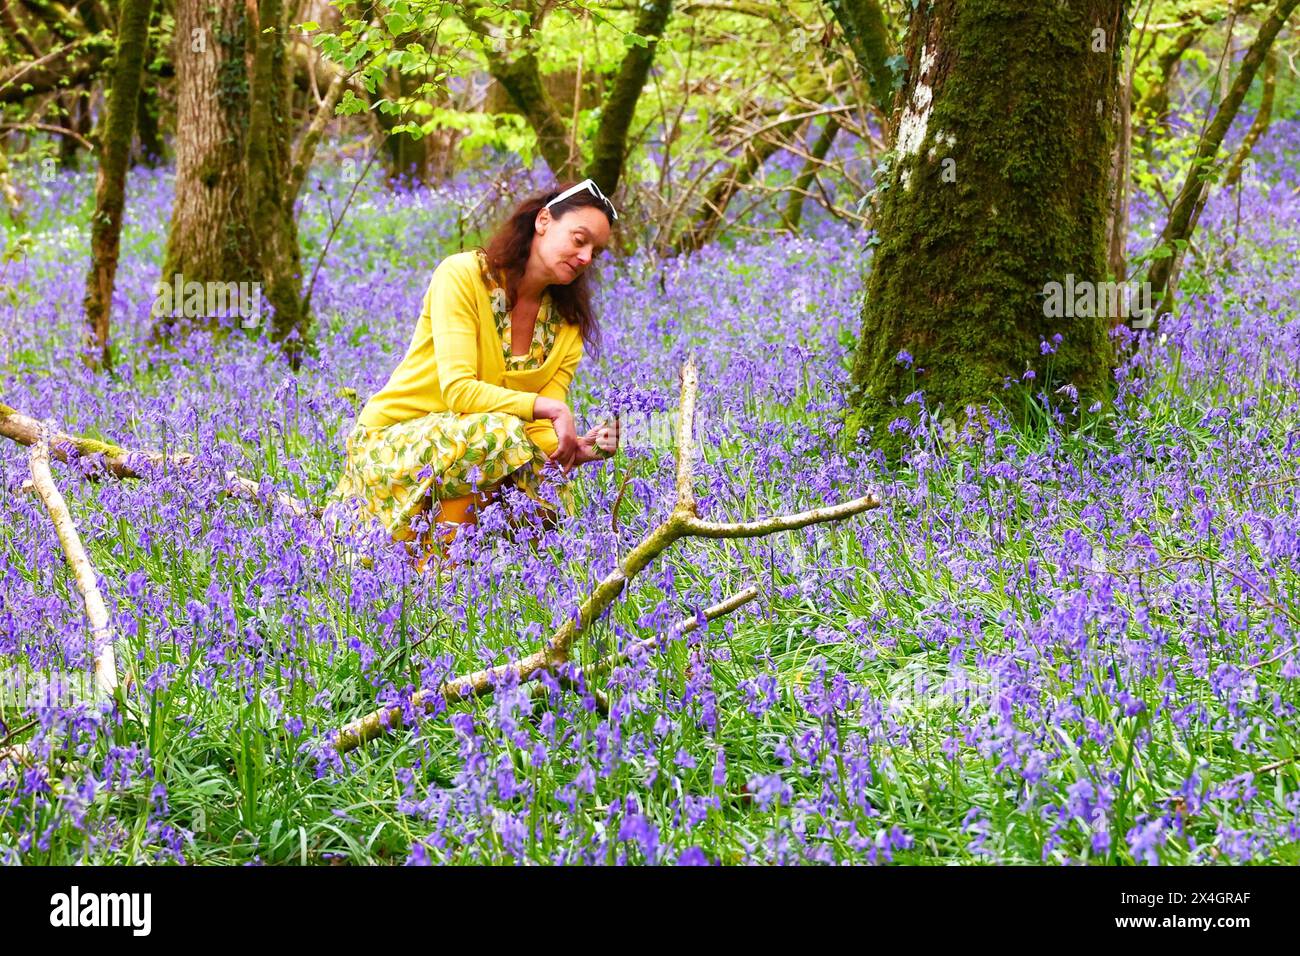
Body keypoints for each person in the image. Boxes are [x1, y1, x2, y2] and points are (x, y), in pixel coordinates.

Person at [326, 179, 620, 568]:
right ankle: (443, 574)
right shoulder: (463, 276)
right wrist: (547, 408)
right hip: (394, 443)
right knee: (495, 433)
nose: (584, 258)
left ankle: (465, 585)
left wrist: (575, 450)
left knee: (545, 482)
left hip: (470, 448)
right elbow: (459, 392)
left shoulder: (566, 327)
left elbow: (533, 432)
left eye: (594, 252)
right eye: (579, 239)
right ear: (544, 221)